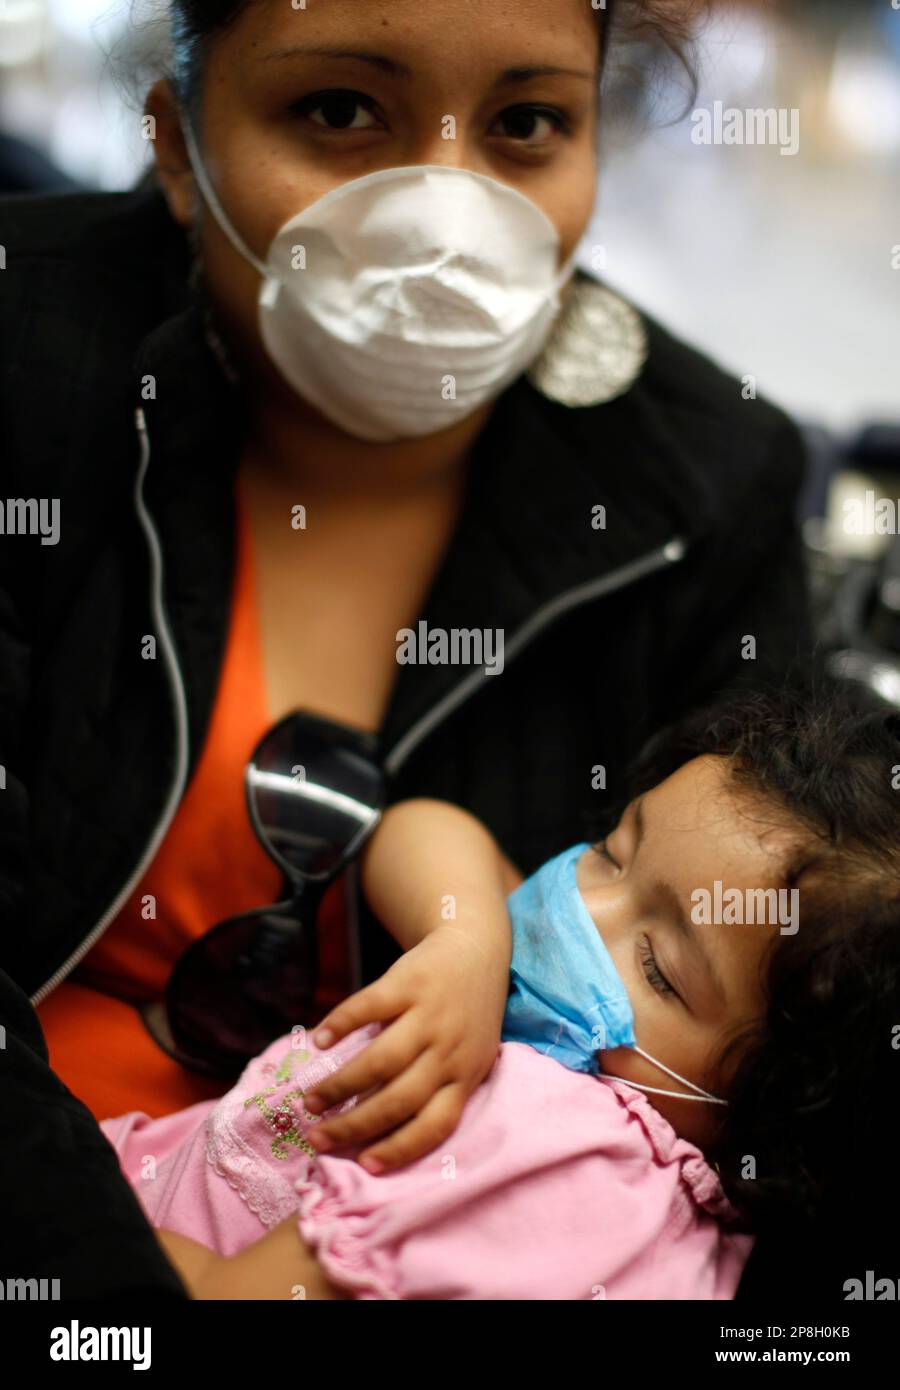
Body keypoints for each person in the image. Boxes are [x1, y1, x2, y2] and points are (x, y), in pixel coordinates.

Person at [0, 0, 811, 1299]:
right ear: (175, 143)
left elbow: (799, 1025)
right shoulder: (31, 362)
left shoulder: (701, 490)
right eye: (338, 110)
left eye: (527, 122)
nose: (446, 209)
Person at [96, 676, 900, 1299]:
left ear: (779, 1112)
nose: (579, 911)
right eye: (613, 850)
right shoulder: (555, 1030)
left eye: (658, 968)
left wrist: (53, 1184)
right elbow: (426, 828)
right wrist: (467, 938)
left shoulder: (551, 1147)